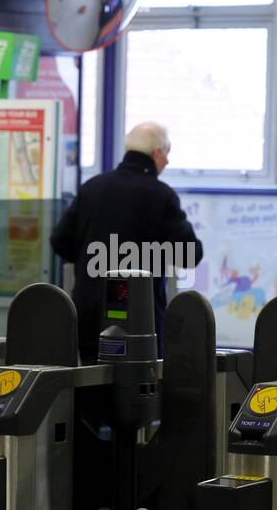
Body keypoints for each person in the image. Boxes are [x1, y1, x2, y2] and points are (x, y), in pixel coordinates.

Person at [50, 121, 202, 359]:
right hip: (140, 321)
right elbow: (191, 254)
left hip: (89, 315)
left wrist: (89, 261)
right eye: (167, 154)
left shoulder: (92, 188)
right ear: (157, 153)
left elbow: (59, 239)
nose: (168, 162)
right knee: (137, 390)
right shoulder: (161, 195)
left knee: (91, 385)